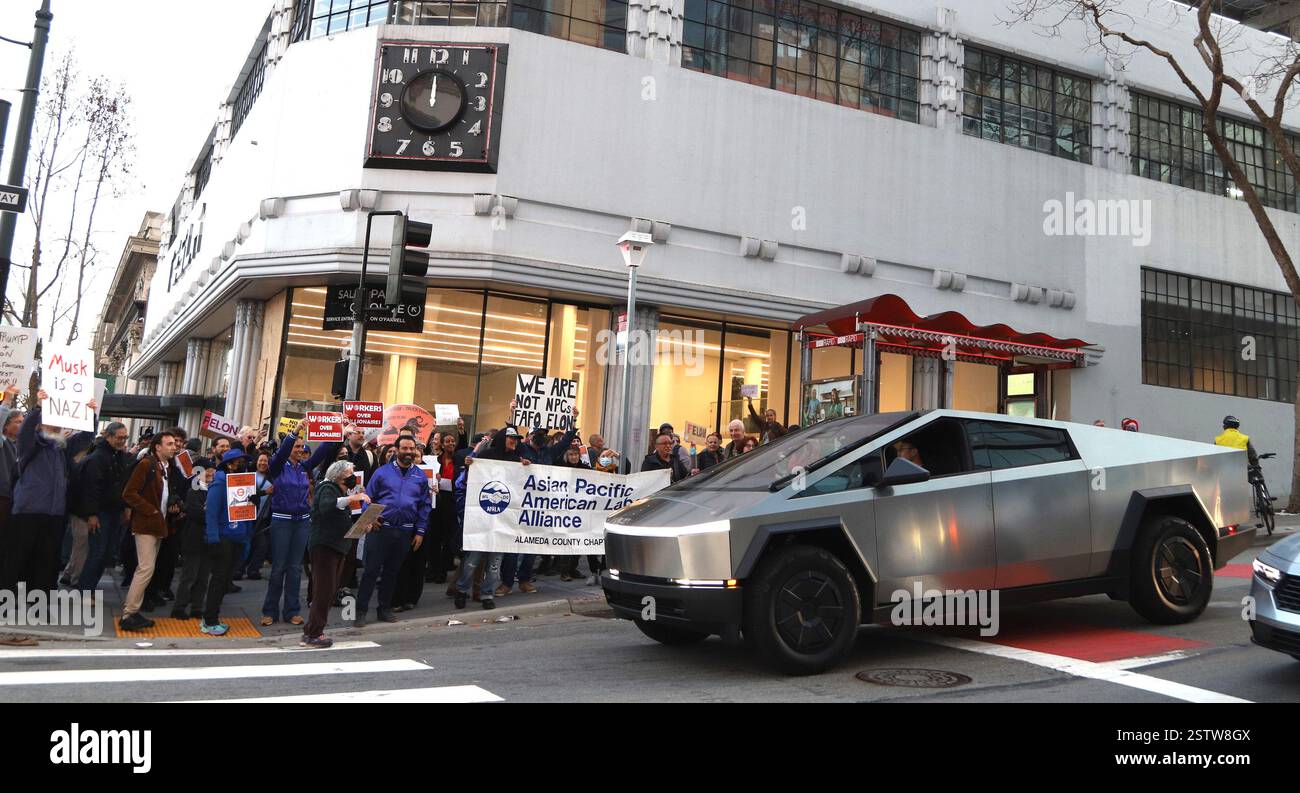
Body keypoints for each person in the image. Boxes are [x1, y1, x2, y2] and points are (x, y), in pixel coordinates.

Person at [0, 389, 96, 595]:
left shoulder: (61, 447)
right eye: (51, 422)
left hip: (53, 513)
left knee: (46, 560)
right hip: (27, 510)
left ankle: (39, 602)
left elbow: (86, 438)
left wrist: (91, 415)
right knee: (17, 557)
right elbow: (26, 430)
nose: (57, 426)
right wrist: (37, 407)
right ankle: (6, 598)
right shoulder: (28, 444)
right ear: (40, 425)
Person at [261, 417, 339, 626]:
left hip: (302, 521)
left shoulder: (304, 467)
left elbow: (323, 451)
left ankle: (291, 611)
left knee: (295, 568)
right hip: (282, 520)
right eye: (295, 446)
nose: (299, 449)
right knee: (279, 567)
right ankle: (270, 610)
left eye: (301, 447)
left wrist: (338, 431)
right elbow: (282, 453)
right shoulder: (277, 466)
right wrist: (294, 433)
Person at [356, 435, 431, 626]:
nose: (408, 452)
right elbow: (367, 498)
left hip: (404, 532)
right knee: (371, 571)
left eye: (411, 449)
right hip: (381, 530)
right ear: (396, 450)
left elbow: (424, 505)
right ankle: (361, 611)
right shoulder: (382, 473)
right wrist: (370, 520)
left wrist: (420, 532)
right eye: (404, 448)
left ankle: (384, 609)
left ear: (415, 451)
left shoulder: (420, 477)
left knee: (392, 572)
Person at [456, 429, 528, 609]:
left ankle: (487, 594)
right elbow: (471, 479)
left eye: (517, 439)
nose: (515, 441)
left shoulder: (516, 460)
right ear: (503, 438)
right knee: (472, 561)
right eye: (512, 438)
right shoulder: (487, 455)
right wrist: (469, 464)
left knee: (495, 564)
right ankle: (462, 591)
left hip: (503, 521)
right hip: (483, 519)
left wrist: (528, 468)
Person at [119, 430, 178, 632]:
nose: (174, 446)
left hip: (157, 523)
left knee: (146, 568)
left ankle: (132, 611)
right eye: (169, 444)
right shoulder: (147, 464)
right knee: (145, 568)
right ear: (157, 447)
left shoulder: (166, 467)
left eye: (174, 444)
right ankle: (129, 613)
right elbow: (129, 493)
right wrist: (151, 510)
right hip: (147, 523)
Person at [305, 460, 369, 647]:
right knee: (324, 590)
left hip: (335, 546)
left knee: (328, 589)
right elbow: (327, 506)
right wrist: (353, 498)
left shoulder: (339, 491)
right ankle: (314, 633)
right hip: (325, 546)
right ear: (339, 474)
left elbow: (339, 519)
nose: (352, 476)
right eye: (349, 473)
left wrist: (363, 525)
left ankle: (312, 630)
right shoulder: (327, 487)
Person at [199, 450, 257, 636]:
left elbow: (245, 513)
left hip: (238, 538)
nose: (242, 465)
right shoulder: (220, 483)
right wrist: (213, 538)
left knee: (225, 581)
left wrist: (253, 502)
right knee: (219, 580)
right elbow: (212, 513)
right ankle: (209, 620)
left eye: (243, 462)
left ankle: (212, 617)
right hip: (224, 538)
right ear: (229, 464)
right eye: (238, 462)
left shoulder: (244, 484)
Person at [74, 421, 134, 595]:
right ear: (109, 436)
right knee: (98, 552)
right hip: (101, 512)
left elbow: (123, 484)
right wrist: (92, 514)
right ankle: (85, 589)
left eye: (125, 438)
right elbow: (91, 488)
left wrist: (125, 507)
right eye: (119, 438)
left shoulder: (119, 456)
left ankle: (89, 588)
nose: (122, 441)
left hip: (114, 510)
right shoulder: (98, 457)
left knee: (106, 553)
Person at [172, 466, 213, 619]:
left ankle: (197, 607)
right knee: (189, 576)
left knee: (203, 577)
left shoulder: (213, 491)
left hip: (208, 540)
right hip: (193, 539)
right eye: (206, 471)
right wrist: (212, 514)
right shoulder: (193, 491)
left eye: (213, 471)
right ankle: (179, 607)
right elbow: (196, 513)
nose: (210, 474)